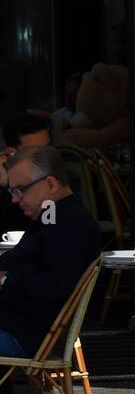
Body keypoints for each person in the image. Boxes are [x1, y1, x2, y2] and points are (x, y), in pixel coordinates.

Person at [0, 147, 101, 357]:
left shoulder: (71, 223)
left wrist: (6, 280)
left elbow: (57, 285)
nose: (15, 199)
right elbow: (19, 257)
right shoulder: (51, 215)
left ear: (51, 184)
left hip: (23, 335)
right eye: (12, 191)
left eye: (20, 189)